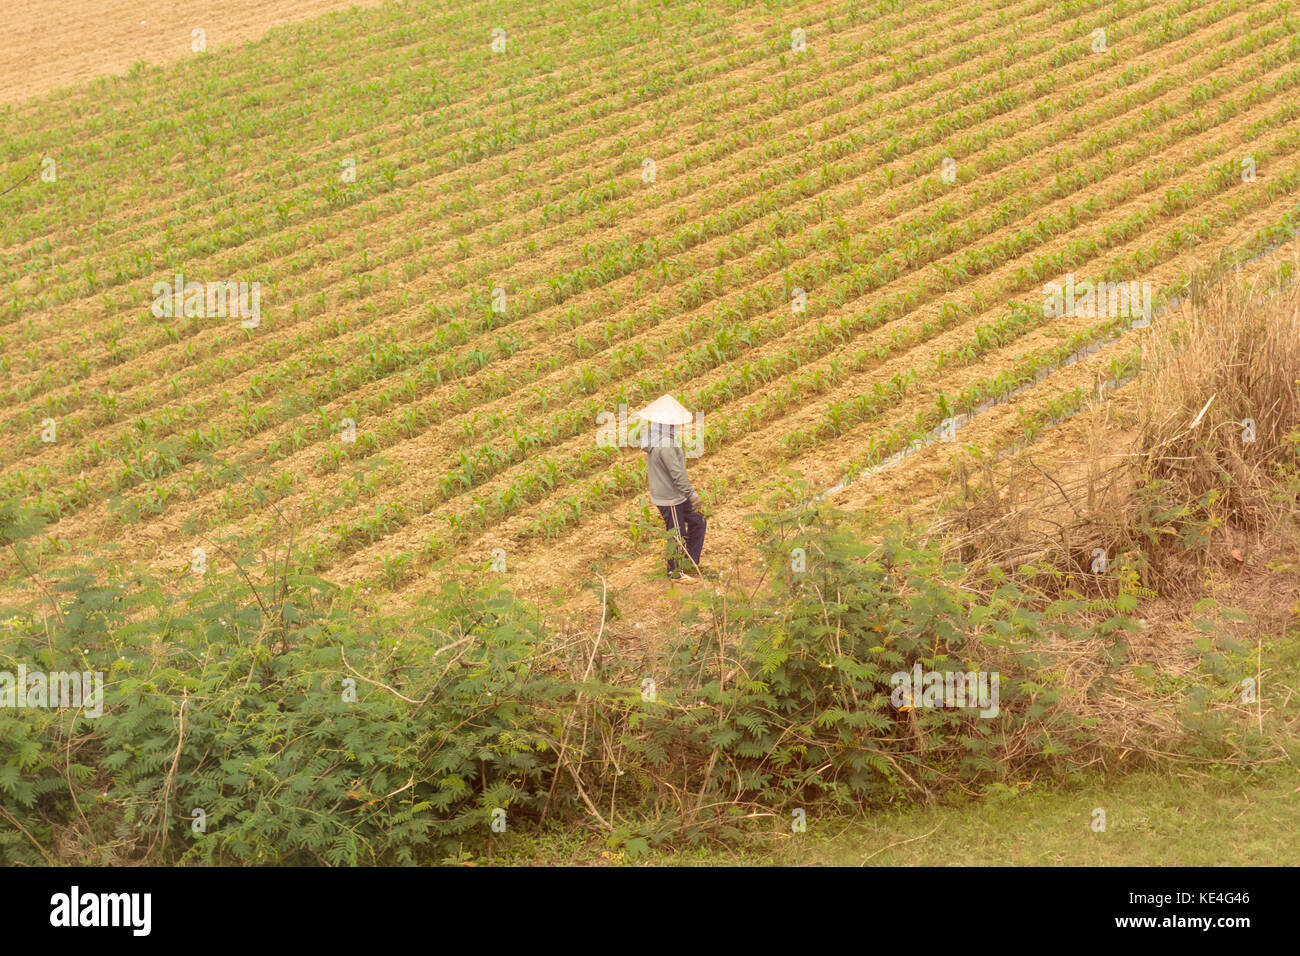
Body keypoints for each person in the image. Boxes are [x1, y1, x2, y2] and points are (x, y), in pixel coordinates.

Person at [636, 394, 707, 582]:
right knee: (676, 534)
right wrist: (692, 495)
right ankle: (674, 572)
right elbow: (677, 475)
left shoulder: (658, 436)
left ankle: (688, 562)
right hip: (670, 497)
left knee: (698, 522)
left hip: (676, 494)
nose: (677, 425)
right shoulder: (664, 444)